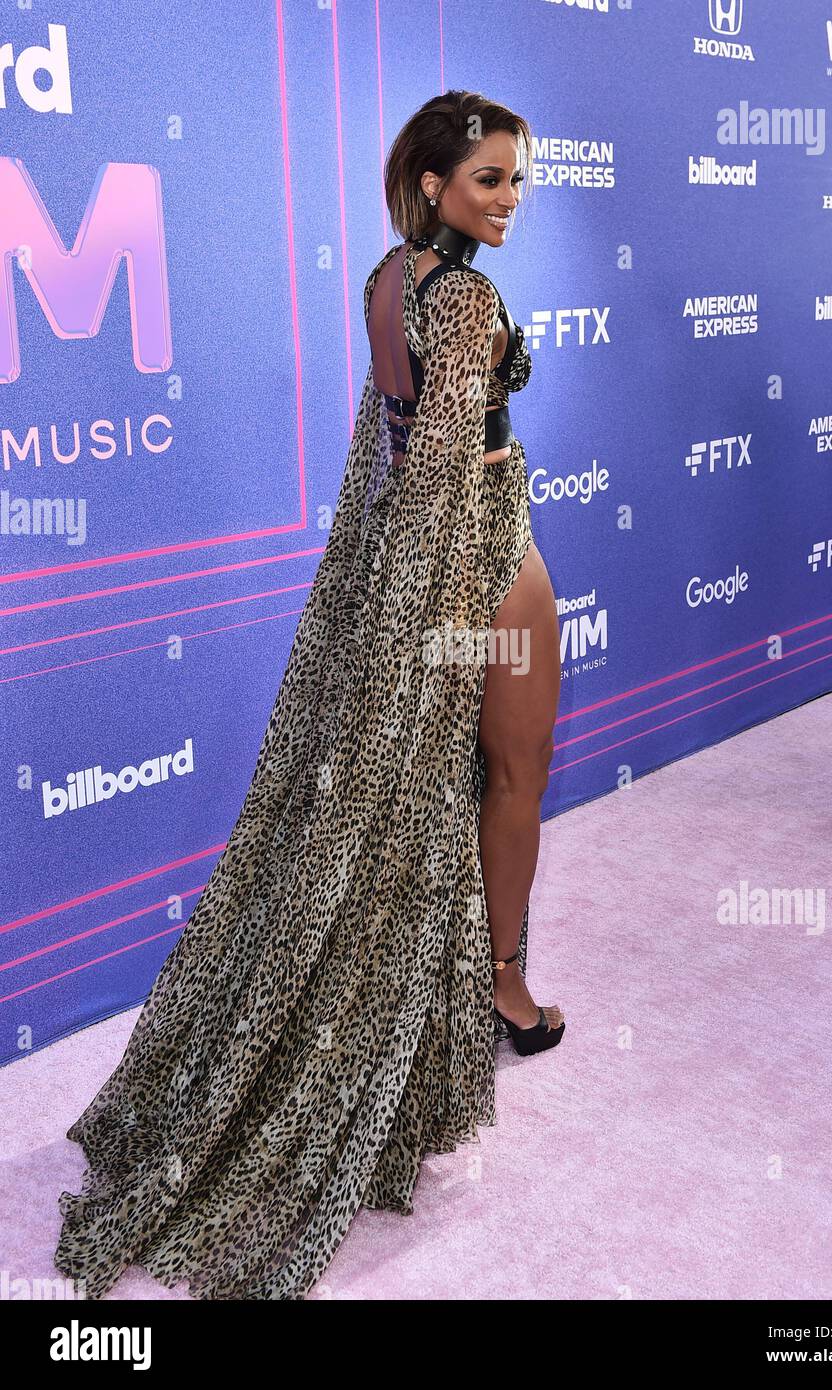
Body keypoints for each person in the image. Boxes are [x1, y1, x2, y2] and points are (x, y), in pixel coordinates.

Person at [53, 90, 563, 1302]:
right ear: (436, 182)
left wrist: (375, 611)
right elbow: (440, 467)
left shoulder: (391, 279)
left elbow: (378, 452)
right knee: (512, 775)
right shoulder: (471, 297)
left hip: (416, 565)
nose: (508, 200)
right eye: (488, 179)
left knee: (455, 786)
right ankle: (504, 985)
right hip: (487, 555)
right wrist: (424, 635)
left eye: (517, 180)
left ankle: (478, 985)